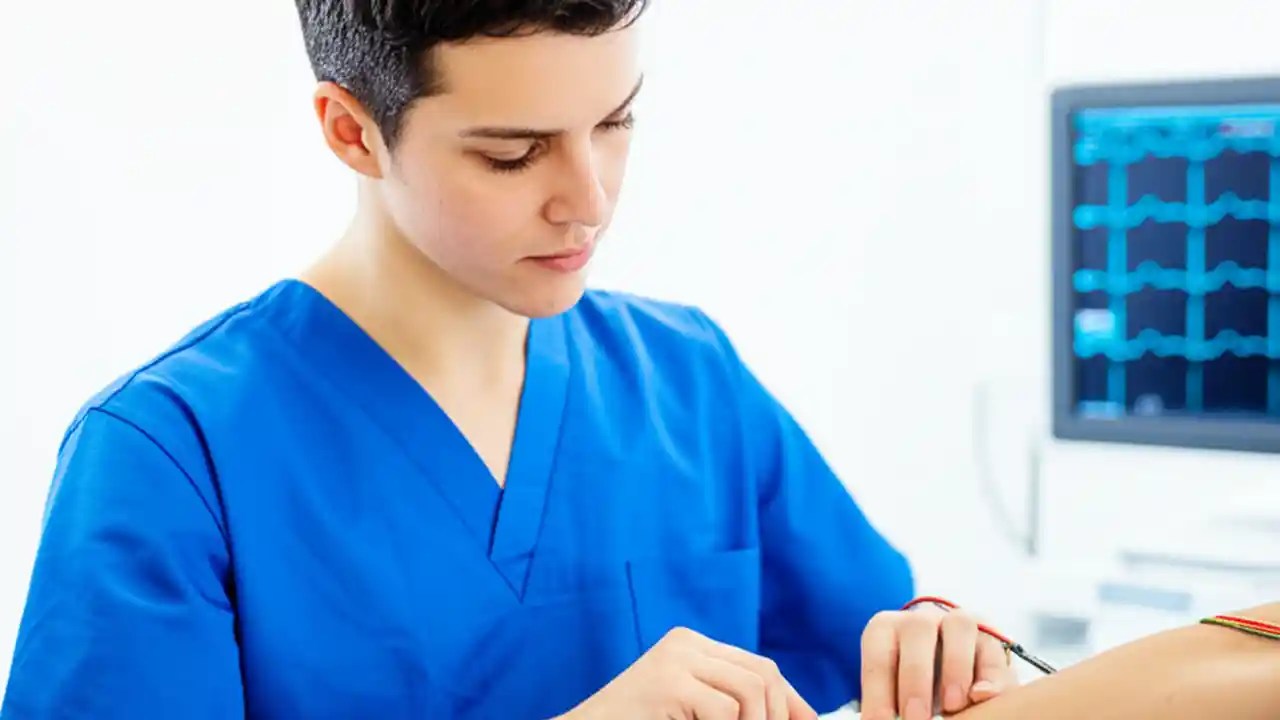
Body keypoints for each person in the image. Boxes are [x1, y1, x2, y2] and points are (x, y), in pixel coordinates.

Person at [0, 2, 1021, 719]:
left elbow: (882, 641)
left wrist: (935, 643)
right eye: (512, 154)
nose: (587, 197)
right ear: (351, 131)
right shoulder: (169, 456)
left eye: (614, 123)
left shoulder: (688, 381)